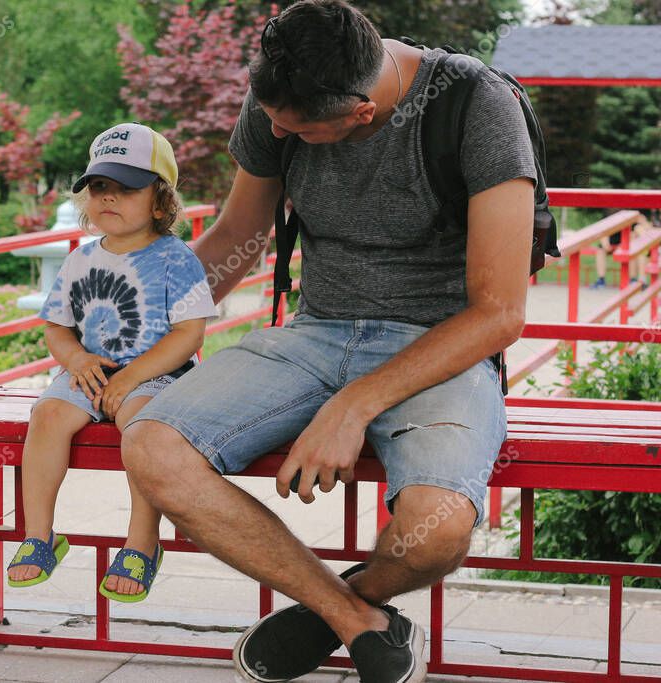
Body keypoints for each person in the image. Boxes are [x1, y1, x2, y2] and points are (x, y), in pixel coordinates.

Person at [121, 1, 536, 681]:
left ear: (358, 113)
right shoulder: (279, 98)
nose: (274, 131)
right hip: (314, 334)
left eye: (296, 129)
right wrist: (136, 323)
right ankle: (354, 620)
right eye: (272, 119)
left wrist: (355, 405)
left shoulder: (477, 106)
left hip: (441, 347)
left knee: (439, 529)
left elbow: (498, 313)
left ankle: (333, 608)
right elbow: (240, 238)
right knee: (152, 446)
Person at [5, 123, 217, 603]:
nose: (109, 198)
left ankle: (142, 540)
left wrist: (135, 375)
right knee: (47, 414)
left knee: (141, 427)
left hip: (157, 376)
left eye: (126, 188)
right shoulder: (81, 259)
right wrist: (76, 358)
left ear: (160, 202)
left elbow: (190, 334)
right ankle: (38, 536)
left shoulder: (174, 259)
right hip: (91, 372)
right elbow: (57, 326)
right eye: (100, 187)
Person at [592, 213, 649, 290]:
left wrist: (627, 243)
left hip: (627, 242)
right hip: (612, 241)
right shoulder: (608, 214)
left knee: (632, 250)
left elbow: (636, 232)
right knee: (600, 250)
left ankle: (633, 279)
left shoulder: (631, 214)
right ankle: (601, 279)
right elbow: (602, 232)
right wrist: (604, 241)